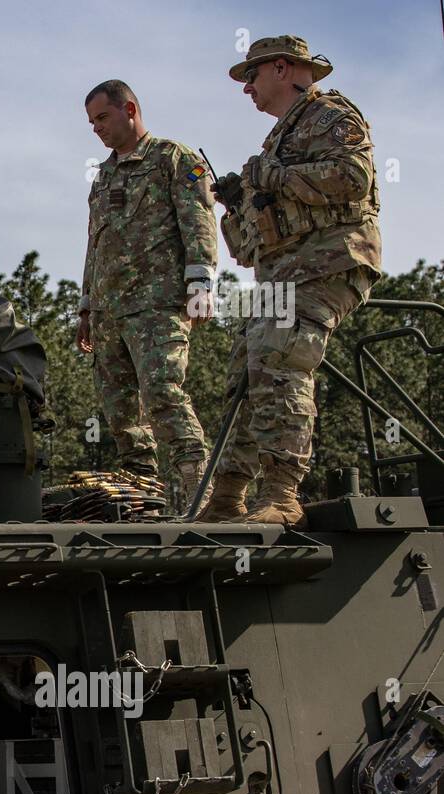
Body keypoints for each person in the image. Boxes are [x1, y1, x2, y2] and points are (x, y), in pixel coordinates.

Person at [198, 36, 381, 524]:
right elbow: (247, 251)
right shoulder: (279, 139)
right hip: (285, 276)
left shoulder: (329, 115)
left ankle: (281, 495)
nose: (246, 89)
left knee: (280, 355)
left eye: (251, 76)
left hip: (329, 264)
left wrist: (271, 179)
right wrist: (239, 206)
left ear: (282, 69)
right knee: (245, 369)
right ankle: (227, 498)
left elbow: (352, 177)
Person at [78, 80, 217, 501]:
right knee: (120, 412)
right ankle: (143, 494)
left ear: (130, 109)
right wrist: (86, 308)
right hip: (108, 313)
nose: (96, 129)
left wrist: (202, 283)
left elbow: (198, 221)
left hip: (157, 304)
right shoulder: (101, 176)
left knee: (163, 394)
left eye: (102, 117)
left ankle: (201, 487)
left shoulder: (174, 159)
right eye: (91, 122)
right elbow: (95, 243)